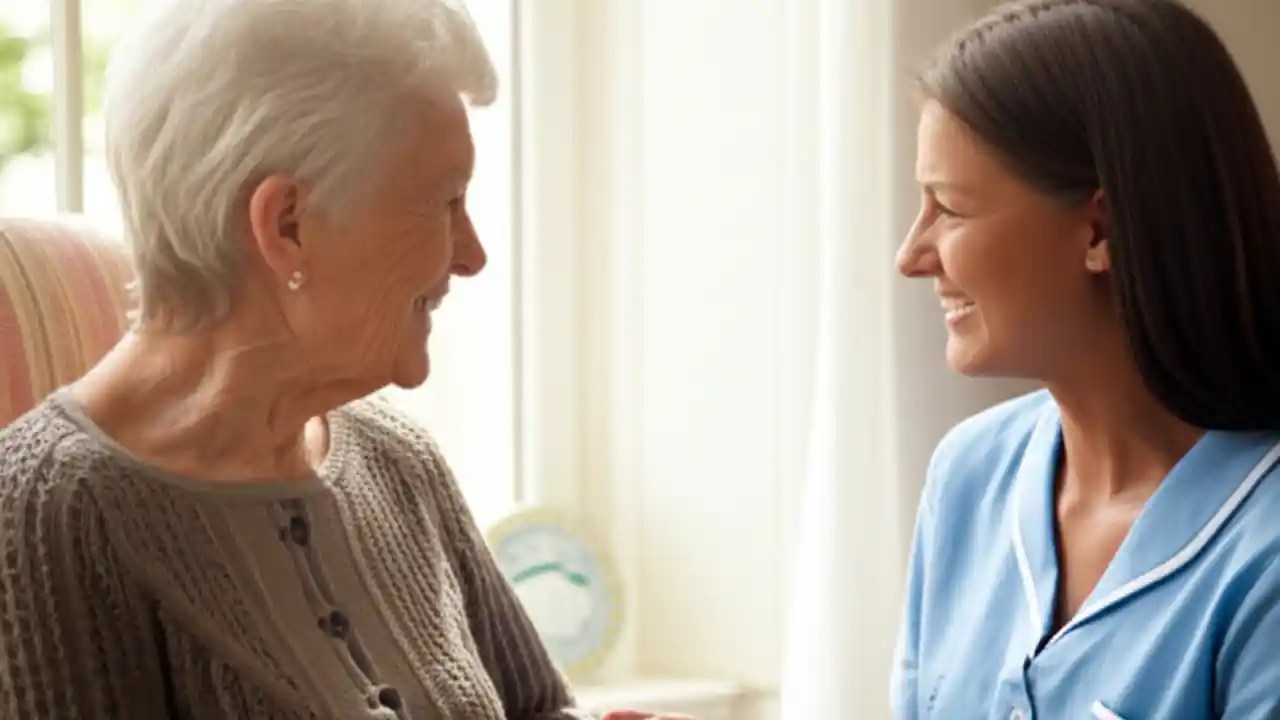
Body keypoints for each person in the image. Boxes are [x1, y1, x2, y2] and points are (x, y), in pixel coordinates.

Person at [0, 1, 688, 718]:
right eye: (445, 201)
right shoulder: (44, 517)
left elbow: (538, 708)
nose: (473, 253)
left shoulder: (397, 459)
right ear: (287, 225)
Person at [892, 0, 1280, 718]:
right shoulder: (970, 475)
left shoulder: (1264, 552)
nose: (911, 256)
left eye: (948, 207)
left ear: (1098, 229)